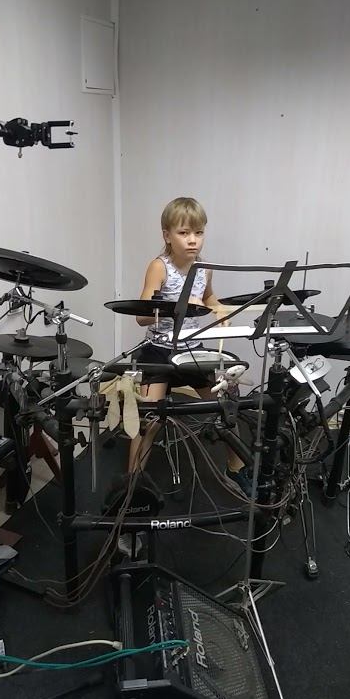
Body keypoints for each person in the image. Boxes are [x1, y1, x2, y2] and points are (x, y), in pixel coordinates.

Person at [126, 197, 252, 494]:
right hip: (158, 351)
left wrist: (218, 308)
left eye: (199, 232)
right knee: (149, 421)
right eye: (184, 233)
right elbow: (141, 316)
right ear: (167, 236)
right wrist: (179, 306)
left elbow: (207, 296)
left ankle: (235, 468)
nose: (193, 240)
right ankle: (131, 487)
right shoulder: (159, 267)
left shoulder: (204, 269)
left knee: (225, 409)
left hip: (193, 351)